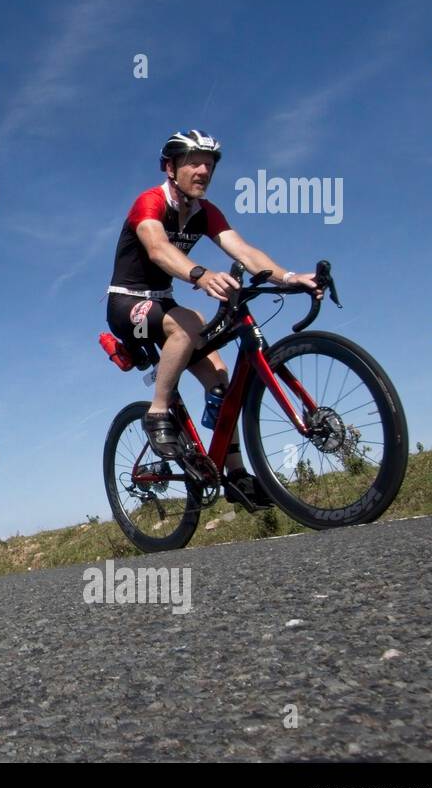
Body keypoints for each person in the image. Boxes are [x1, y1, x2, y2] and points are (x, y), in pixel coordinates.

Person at [105, 129, 322, 507]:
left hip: (163, 305)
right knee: (190, 321)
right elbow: (157, 249)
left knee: (220, 377)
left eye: (210, 163)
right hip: (128, 307)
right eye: (194, 161)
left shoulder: (205, 213)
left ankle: (234, 474)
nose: (204, 169)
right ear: (170, 168)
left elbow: (244, 251)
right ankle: (158, 413)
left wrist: (288, 278)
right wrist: (200, 274)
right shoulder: (150, 202)